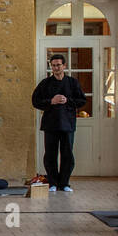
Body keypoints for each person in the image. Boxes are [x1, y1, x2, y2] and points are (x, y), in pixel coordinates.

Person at [31, 53, 88, 192]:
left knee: (67, 154)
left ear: (64, 66)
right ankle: (53, 183)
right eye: (53, 65)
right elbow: (35, 101)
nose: (56, 68)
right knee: (50, 154)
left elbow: (82, 100)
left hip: (68, 124)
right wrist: (51, 101)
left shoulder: (72, 83)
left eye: (58, 65)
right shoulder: (45, 83)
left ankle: (65, 183)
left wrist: (68, 101)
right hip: (50, 124)